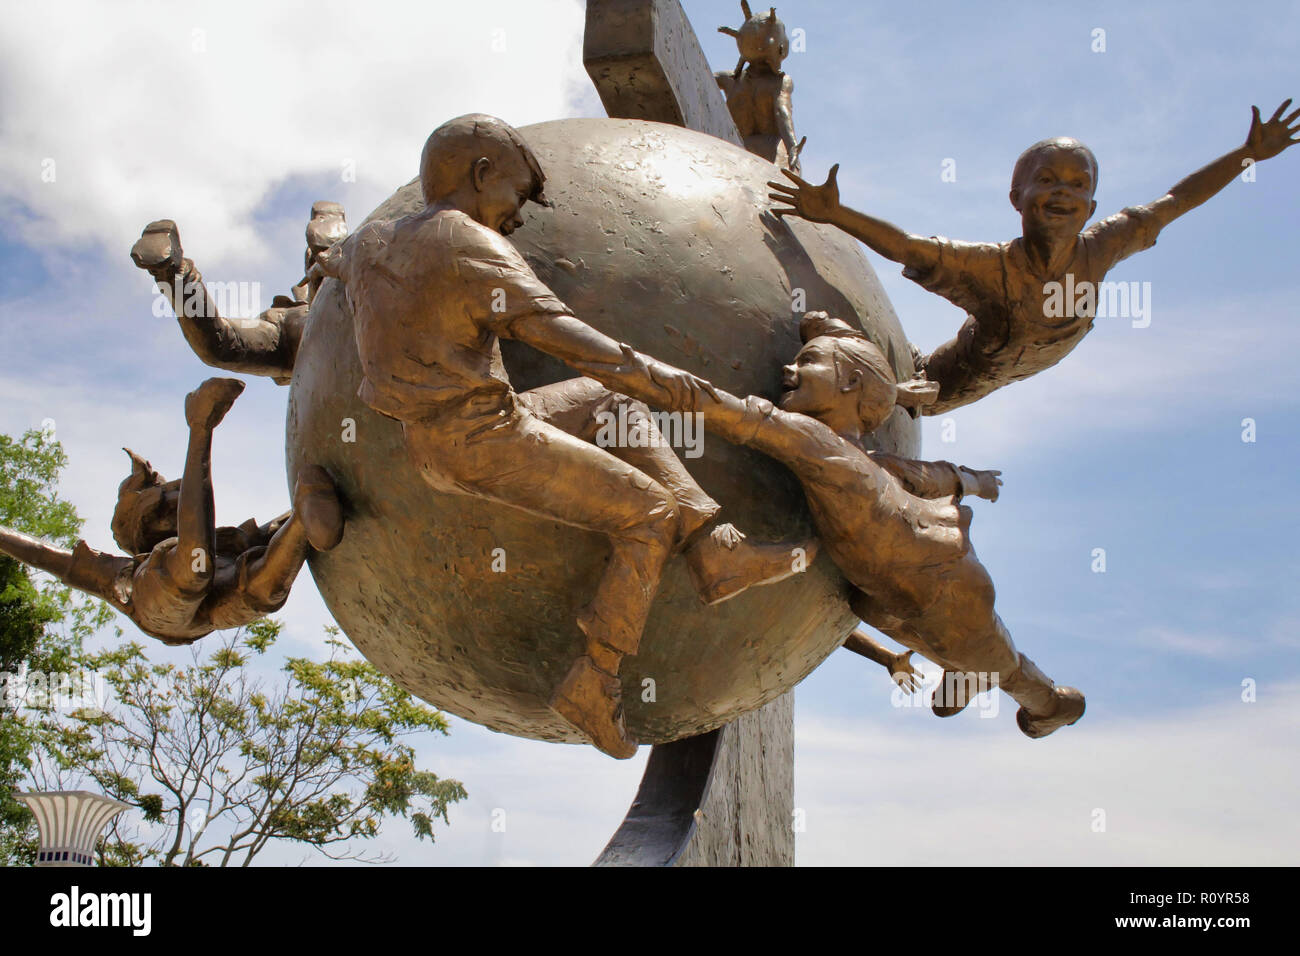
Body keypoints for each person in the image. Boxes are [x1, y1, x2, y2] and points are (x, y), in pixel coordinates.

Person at [318, 114, 807, 758]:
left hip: (445, 439)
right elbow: (593, 352)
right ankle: (595, 678)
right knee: (648, 517)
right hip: (487, 443)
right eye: (515, 196)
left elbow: (332, 247)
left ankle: (714, 550)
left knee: (608, 407)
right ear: (481, 172)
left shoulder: (373, 245)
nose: (517, 216)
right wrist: (693, 394)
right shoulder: (474, 251)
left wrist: (325, 223)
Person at [578, 311, 1084, 738]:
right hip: (905, 587)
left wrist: (619, 365)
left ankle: (1047, 707)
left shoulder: (814, 443)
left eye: (808, 361)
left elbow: (709, 403)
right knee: (871, 608)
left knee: (1002, 666)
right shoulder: (861, 455)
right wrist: (973, 480)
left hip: (945, 587)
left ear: (849, 383)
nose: (788, 368)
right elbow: (924, 475)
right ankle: (965, 669)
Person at [769, 100, 1300, 413]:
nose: (1062, 192)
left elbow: (1176, 201)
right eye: (1045, 181)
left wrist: (1248, 154)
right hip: (935, 379)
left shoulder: (1104, 246)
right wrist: (834, 213)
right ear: (1016, 199)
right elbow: (908, 247)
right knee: (861, 384)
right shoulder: (989, 268)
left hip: (996, 377)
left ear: (1092, 205)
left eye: (1076, 184)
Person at [0, 378, 343, 646]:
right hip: (160, 602)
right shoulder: (124, 569)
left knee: (259, 586)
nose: (171, 495)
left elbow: (268, 530)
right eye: (163, 499)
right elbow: (43, 555)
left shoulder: (223, 545)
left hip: (212, 606)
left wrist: (305, 506)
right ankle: (200, 424)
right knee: (194, 565)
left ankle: (304, 521)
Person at [130, 202, 348, 384]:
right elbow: (222, 345)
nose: (324, 261)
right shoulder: (294, 325)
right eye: (317, 256)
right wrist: (176, 277)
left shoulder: (370, 289)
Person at [716, 1, 803, 172]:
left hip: (733, 151)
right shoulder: (780, 82)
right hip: (771, 153)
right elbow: (781, 112)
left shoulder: (728, 80)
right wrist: (792, 145)